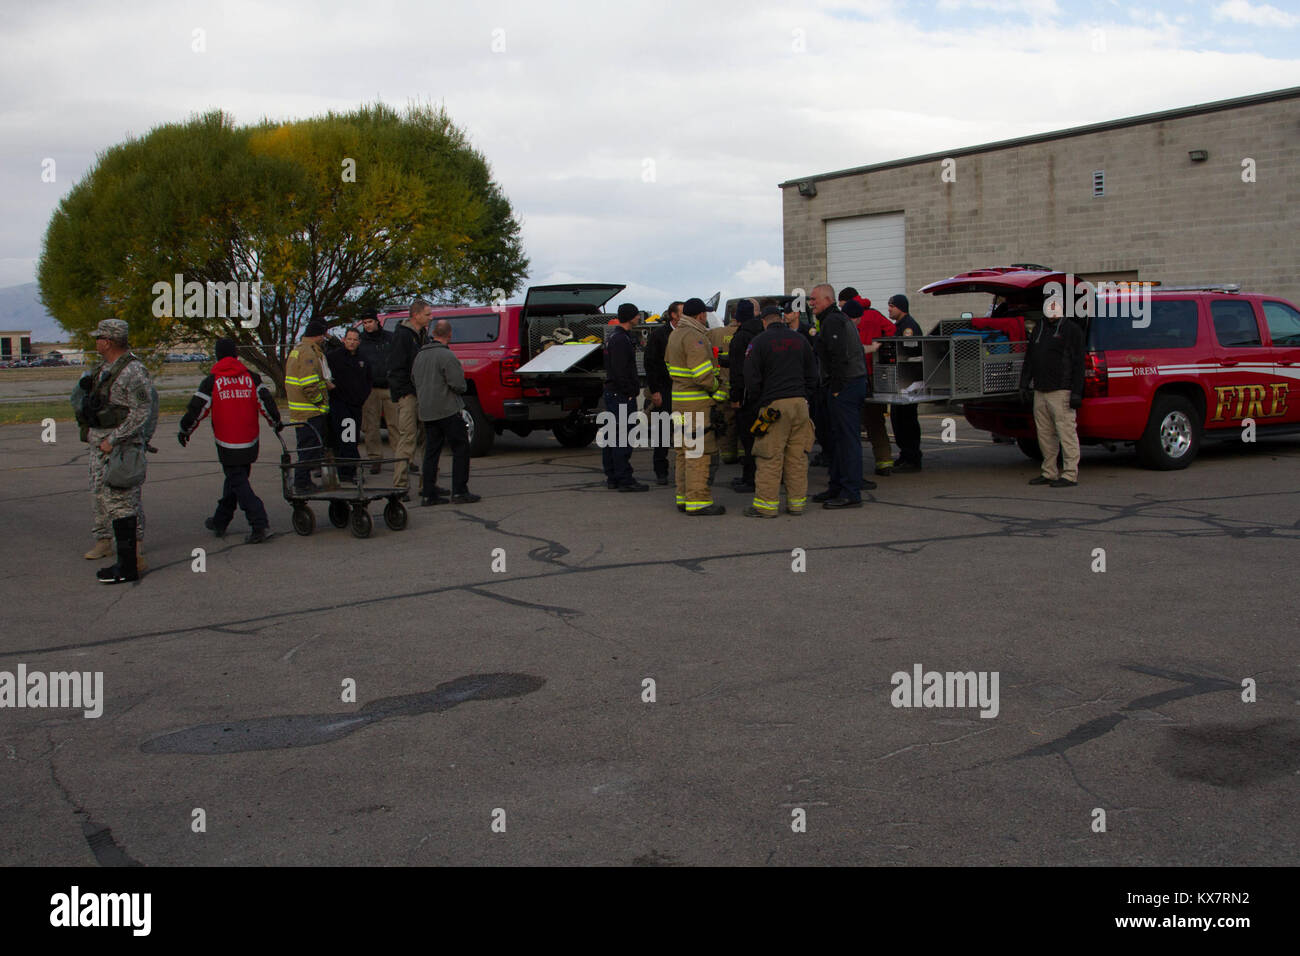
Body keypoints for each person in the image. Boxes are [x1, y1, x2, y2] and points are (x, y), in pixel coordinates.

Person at [178, 338, 283, 543]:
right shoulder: (252, 377)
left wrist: (185, 429)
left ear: (218, 355)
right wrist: (275, 422)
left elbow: (197, 408)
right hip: (250, 441)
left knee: (238, 482)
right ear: (236, 355)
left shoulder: (213, 380)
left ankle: (259, 523)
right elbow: (266, 402)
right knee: (236, 480)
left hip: (227, 442)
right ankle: (220, 520)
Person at [76, 319, 155, 583]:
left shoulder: (134, 371)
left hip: (121, 448)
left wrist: (114, 438)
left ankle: (130, 561)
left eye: (98, 337)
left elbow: (142, 410)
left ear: (108, 341)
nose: (96, 341)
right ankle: (122, 556)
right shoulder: (103, 369)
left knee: (123, 503)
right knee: (106, 498)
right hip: (101, 443)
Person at [742, 306, 818, 517]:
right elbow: (813, 373)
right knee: (797, 458)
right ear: (781, 319)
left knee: (769, 456)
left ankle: (766, 507)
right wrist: (805, 396)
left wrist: (759, 401)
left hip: (774, 407)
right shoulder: (800, 340)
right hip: (800, 405)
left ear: (764, 321)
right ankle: (796, 504)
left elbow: (750, 377)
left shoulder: (758, 342)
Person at [810, 284, 868, 509]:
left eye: (814, 299)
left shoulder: (833, 321)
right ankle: (836, 486)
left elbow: (838, 358)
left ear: (827, 299)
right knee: (835, 440)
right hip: (845, 385)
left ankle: (851, 492)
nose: (811, 303)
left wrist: (835, 389)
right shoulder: (830, 319)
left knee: (846, 440)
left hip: (846, 387)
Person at [668, 297, 728, 515]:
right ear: (701, 315)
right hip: (695, 405)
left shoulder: (675, 334)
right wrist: (717, 387)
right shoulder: (695, 337)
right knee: (697, 452)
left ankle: (684, 497)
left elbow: (670, 366)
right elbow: (702, 375)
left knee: (683, 451)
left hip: (679, 404)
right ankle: (698, 501)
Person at [1020, 296, 1085, 487]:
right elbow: (1030, 358)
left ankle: (1070, 474)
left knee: (1066, 433)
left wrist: (1076, 393)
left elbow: (1079, 364)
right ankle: (1049, 472)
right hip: (1040, 390)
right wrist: (1024, 384)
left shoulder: (1072, 330)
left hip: (1062, 391)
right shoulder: (1039, 328)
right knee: (1045, 435)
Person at [412, 319, 479, 504]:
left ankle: (428, 492)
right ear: (450, 335)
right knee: (461, 447)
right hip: (447, 409)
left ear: (433, 333)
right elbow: (458, 384)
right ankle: (459, 490)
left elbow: (413, 379)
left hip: (427, 410)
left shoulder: (420, 356)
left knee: (431, 452)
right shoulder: (446, 356)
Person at [844, 290, 898, 477]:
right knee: (876, 422)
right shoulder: (874, 314)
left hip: (854, 375)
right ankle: (884, 462)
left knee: (851, 423)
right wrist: (880, 350)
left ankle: (852, 469)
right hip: (874, 374)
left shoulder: (847, 319)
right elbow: (892, 332)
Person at [387, 298, 433, 498]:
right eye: (427, 314)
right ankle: (400, 485)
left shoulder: (423, 336)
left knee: (428, 439)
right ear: (416, 315)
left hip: (424, 394)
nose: (431, 317)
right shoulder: (403, 336)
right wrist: (403, 393)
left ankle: (427, 485)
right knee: (407, 438)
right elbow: (396, 367)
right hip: (408, 395)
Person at [601, 303, 649, 492]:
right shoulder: (621, 339)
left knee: (612, 436)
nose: (639, 318)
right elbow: (621, 370)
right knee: (622, 437)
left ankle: (612, 476)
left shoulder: (613, 337)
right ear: (630, 317)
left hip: (614, 393)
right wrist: (630, 392)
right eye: (637, 315)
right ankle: (624, 479)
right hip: (620, 395)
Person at [285, 318, 333, 495]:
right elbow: (308, 384)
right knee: (309, 449)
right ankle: (302, 483)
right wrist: (321, 402)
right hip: (309, 411)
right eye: (323, 335)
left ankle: (304, 482)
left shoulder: (299, 350)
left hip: (302, 411)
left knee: (307, 447)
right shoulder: (308, 354)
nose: (325, 339)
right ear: (318, 335)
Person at [727, 299, 765, 492]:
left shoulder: (741, 337)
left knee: (748, 439)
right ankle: (761, 476)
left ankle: (750, 479)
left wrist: (735, 397)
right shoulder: (763, 333)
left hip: (746, 397)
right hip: (764, 394)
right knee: (763, 437)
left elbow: (738, 371)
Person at [643, 301, 682, 485]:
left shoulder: (689, 334)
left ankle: (685, 471)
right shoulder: (659, 335)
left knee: (686, 431)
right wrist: (656, 391)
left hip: (684, 390)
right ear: (673, 315)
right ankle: (661, 471)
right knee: (663, 432)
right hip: (665, 389)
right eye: (682, 312)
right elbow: (650, 364)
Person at [326, 327, 372, 483]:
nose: (352, 342)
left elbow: (368, 380)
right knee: (346, 438)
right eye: (349, 339)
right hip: (340, 404)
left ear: (359, 342)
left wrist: (361, 398)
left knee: (352, 438)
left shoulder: (363, 359)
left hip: (356, 405)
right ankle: (347, 471)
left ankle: (348, 469)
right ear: (344, 340)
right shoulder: (333, 358)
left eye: (355, 340)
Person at [886, 294, 925, 472]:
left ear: (901, 307)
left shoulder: (908, 327)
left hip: (909, 380)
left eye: (892, 306)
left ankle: (912, 456)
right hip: (902, 380)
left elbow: (907, 350)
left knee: (907, 420)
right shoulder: (901, 326)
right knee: (898, 418)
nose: (889, 309)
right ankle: (906, 454)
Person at [357, 310, 396, 475]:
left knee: (396, 424)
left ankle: (403, 458)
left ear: (377, 322)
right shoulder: (360, 342)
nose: (367, 325)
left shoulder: (390, 338)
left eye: (370, 322)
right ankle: (375, 459)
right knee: (370, 426)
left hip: (389, 387)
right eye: (364, 323)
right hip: (370, 389)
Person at [707, 311, 740, 465]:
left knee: (725, 421)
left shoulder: (714, 333)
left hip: (719, 387)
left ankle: (727, 454)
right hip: (740, 387)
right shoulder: (745, 333)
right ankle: (742, 453)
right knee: (740, 421)